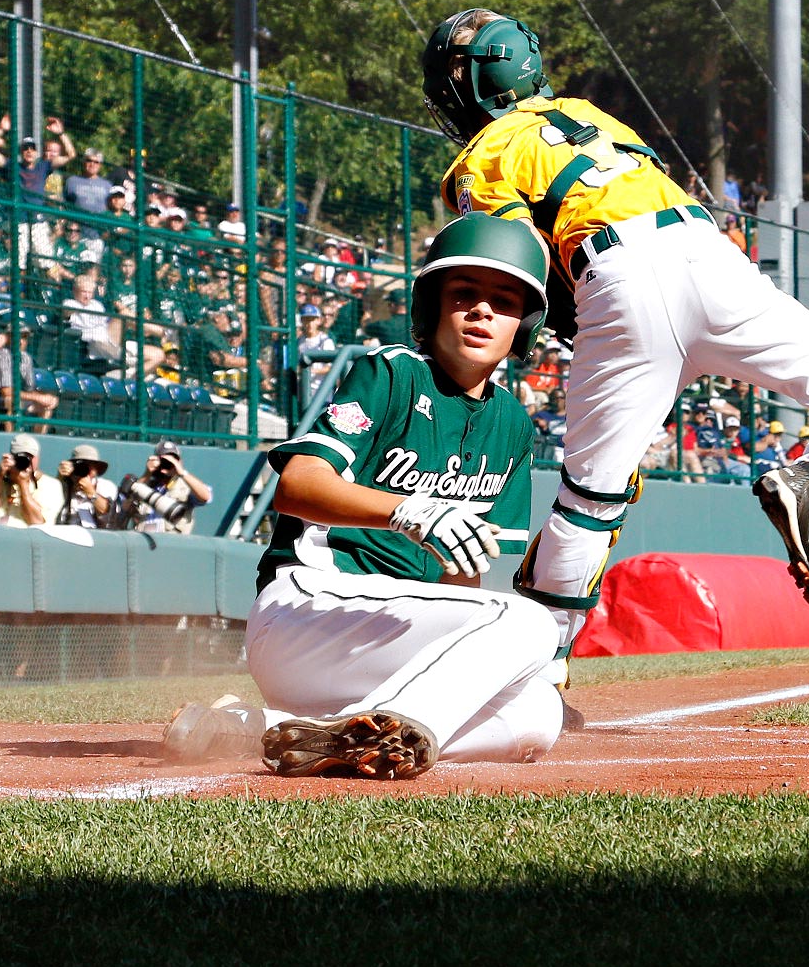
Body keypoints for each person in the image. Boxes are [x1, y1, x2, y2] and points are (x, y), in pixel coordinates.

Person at [422, 9, 809, 642]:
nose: (447, 87)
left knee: (589, 500)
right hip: (711, 251)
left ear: (479, 83)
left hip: (616, 270)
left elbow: (519, 259)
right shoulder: (588, 112)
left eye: (455, 73)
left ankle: (535, 667)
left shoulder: (484, 152)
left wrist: (554, 328)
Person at [215, 212, 564, 779]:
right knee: (530, 626)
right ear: (430, 307)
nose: (483, 310)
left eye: (504, 301)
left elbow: (464, 578)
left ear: (523, 325)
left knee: (537, 715)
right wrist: (408, 511)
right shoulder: (390, 373)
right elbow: (297, 485)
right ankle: (396, 723)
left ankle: (265, 725)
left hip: (393, 635)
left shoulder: (513, 425)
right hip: (309, 607)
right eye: (464, 294)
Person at [111, 440, 211, 534]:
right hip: (143, 543)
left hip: (173, 543)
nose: (167, 464)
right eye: (163, 460)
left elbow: (205, 497)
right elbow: (124, 507)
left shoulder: (186, 486)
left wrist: (182, 472)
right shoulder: (145, 484)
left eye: (172, 460)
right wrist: (147, 473)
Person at [0, 433, 53, 525]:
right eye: (20, 457)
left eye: (30, 457)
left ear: (37, 458)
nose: (26, 461)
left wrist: (22, 483)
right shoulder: (2, 482)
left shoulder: (49, 485)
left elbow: (36, 522)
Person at [53, 443, 115, 528]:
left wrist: (91, 492)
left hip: (96, 536)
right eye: (81, 465)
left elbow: (107, 511)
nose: (86, 469)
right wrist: (60, 478)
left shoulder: (105, 486)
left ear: (97, 469)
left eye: (91, 465)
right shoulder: (62, 485)